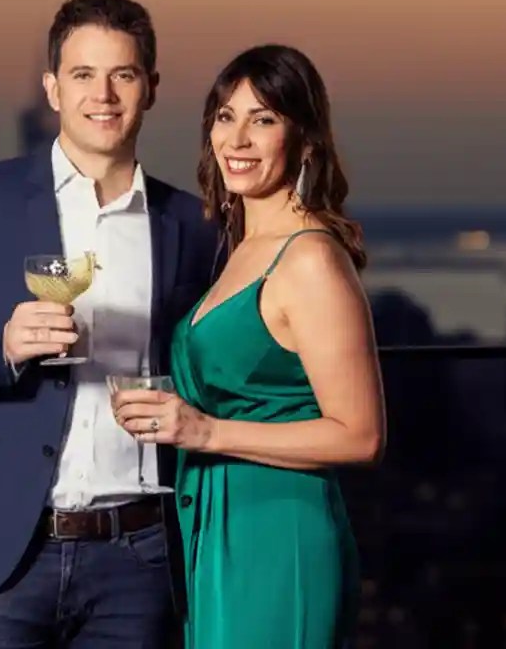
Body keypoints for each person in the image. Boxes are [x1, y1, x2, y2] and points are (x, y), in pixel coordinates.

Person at [0, 0, 220, 648]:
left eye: (123, 75)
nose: (104, 95)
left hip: (138, 560)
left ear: (150, 88)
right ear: (53, 89)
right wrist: (2, 347)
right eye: (83, 74)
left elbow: (213, 366)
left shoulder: (191, 225)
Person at [111, 44, 387, 648]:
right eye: (225, 116)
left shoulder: (309, 258)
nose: (237, 138)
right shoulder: (239, 249)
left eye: (262, 119)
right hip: (215, 527)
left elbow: (361, 436)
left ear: (305, 140)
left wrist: (206, 432)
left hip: (278, 533)